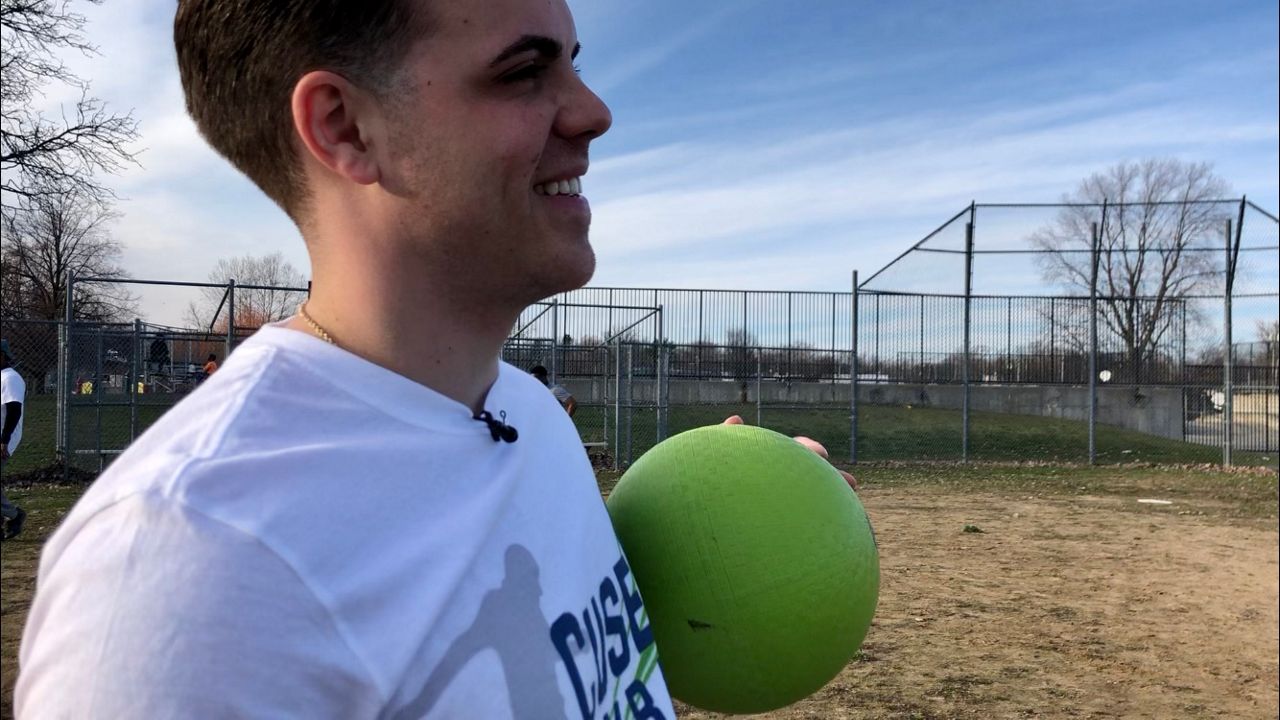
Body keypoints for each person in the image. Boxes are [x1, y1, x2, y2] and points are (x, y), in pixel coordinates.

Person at [17, 1, 851, 716]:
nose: (594, 111)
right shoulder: (187, 572)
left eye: (574, 64)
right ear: (347, 129)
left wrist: (754, 510)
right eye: (525, 71)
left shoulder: (526, 413)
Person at [2, 340, 28, 540]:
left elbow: (14, 410)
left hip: (4, 439)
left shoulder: (11, 378)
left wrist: (4, 440)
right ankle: (12, 515)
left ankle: (15, 515)